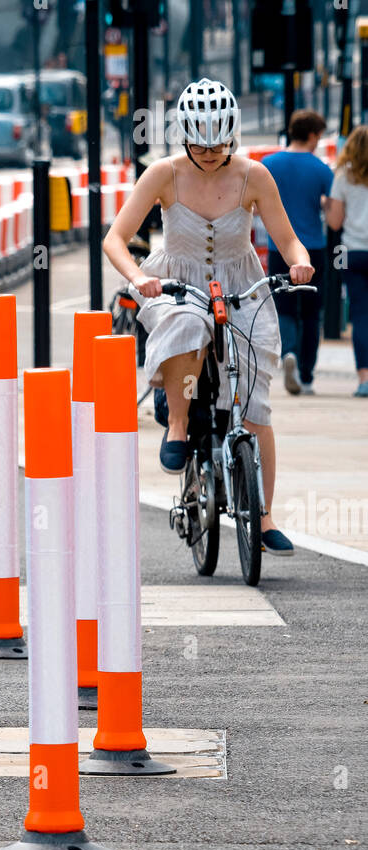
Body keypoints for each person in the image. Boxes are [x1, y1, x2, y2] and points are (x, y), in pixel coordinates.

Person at [103, 78, 315, 554]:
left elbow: (286, 236)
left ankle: (263, 519)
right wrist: (138, 279)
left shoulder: (253, 176)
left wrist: (299, 261)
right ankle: (178, 424)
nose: (209, 153)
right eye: (200, 145)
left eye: (218, 144)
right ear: (185, 136)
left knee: (256, 397)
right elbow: (115, 239)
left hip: (240, 285)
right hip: (177, 282)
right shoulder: (163, 173)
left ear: (231, 136)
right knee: (188, 324)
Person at [262, 110, 333, 395]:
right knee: (311, 313)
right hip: (313, 248)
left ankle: (287, 351)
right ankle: (306, 374)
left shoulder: (268, 164)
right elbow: (330, 208)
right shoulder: (321, 169)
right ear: (314, 135)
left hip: (279, 247)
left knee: (284, 307)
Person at [326, 125, 368, 398]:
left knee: (360, 316)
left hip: (351, 254)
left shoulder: (343, 176)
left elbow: (334, 222)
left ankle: (365, 379)